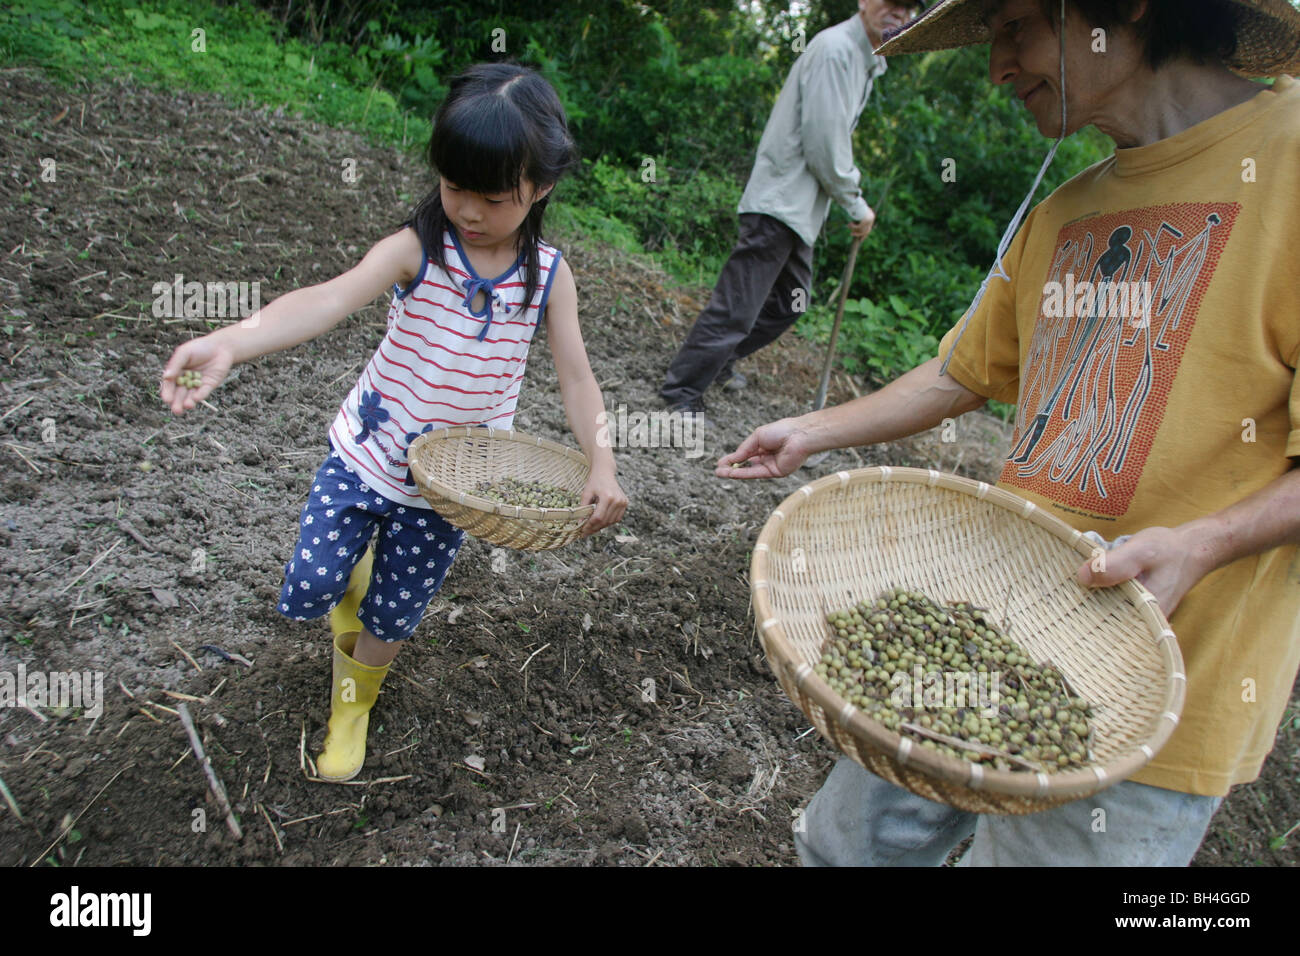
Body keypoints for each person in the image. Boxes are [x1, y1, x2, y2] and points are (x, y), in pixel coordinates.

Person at [719, 0, 1300, 865]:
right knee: (845, 851)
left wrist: (1201, 544)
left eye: (1015, 26)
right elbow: (963, 372)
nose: (997, 66)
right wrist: (811, 429)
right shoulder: (1067, 210)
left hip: (1158, 693)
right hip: (987, 619)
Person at [160, 63, 628, 783]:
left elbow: (577, 376)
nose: (468, 210)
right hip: (366, 456)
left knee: (391, 617)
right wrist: (231, 340)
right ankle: (350, 582)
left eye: (493, 197)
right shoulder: (419, 248)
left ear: (540, 188)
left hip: (449, 490)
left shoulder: (548, 276)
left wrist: (602, 462)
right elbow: (326, 300)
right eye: (453, 187)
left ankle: (352, 708)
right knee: (314, 587)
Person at [659, 0, 926, 414]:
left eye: (909, 8)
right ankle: (682, 391)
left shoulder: (863, 59)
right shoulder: (837, 50)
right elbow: (825, 142)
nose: (900, 14)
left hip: (797, 212)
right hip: (780, 203)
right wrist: (855, 203)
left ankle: (718, 361)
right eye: (892, 2)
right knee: (738, 307)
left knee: (790, 301)